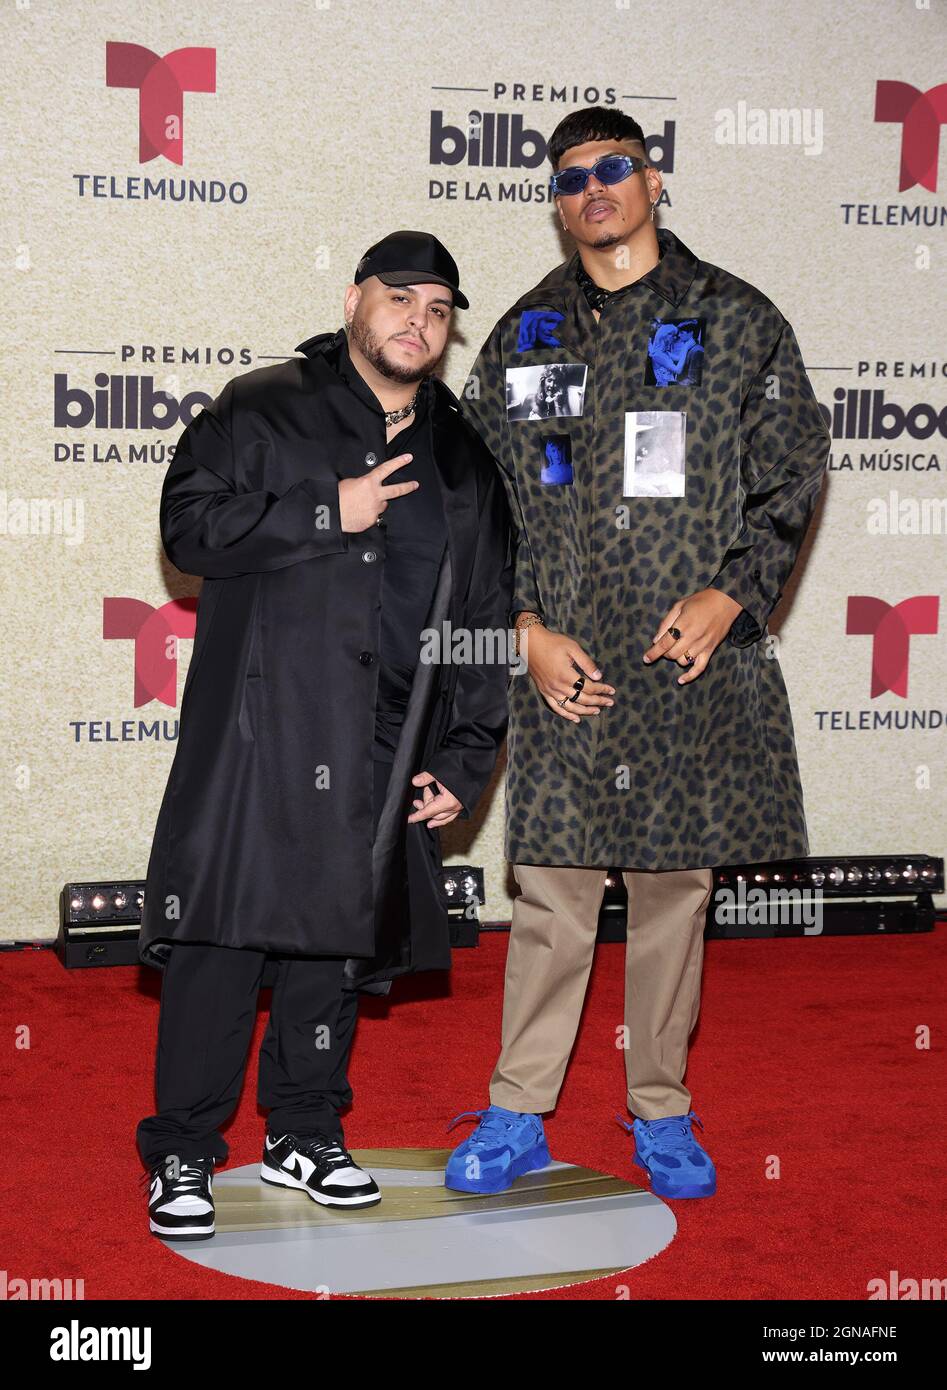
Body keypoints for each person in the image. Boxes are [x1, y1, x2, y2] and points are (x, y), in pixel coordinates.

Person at [445, 106, 831, 1200]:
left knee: (672, 896)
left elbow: (791, 468)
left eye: (612, 169)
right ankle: (518, 1109)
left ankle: (660, 1109)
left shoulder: (736, 320)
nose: (593, 190)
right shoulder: (523, 333)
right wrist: (519, 630)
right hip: (567, 666)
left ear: (652, 182)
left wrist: (732, 592)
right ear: (557, 201)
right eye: (570, 178)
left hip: (681, 663)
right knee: (551, 899)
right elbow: (484, 508)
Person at [136, 230, 512, 1240]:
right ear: (353, 300)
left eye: (437, 309)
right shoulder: (262, 406)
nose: (416, 323)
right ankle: (182, 1147)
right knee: (222, 939)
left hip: (385, 743)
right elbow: (186, 528)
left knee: (336, 944)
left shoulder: (462, 452)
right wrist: (321, 510)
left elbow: (484, 608)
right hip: (263, 729)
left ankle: (304, 1128)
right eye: (398, 300)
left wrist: (466, 754)